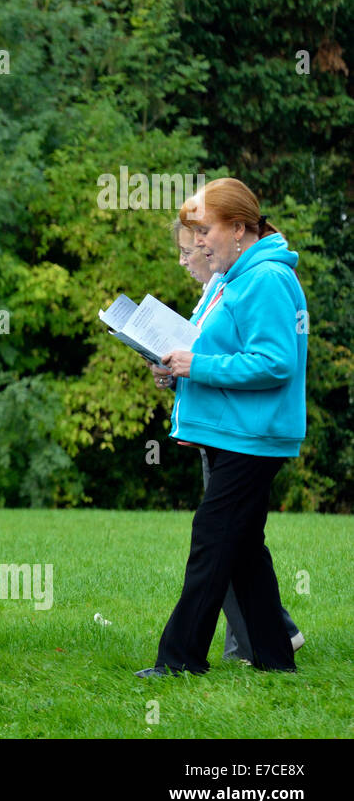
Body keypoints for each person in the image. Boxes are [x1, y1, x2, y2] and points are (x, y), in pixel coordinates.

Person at [138, 178, 306, 677]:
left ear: (239, 228)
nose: (199, 241)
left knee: (212, 540)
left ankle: (181, 659)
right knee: (243, 551)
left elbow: (276, 363)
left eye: (205, 230)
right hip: (234, 431)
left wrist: (197, 366)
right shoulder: (235, 278)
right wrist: (177, 366)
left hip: (251, 436)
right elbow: (222, 352)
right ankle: (274, 657)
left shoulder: (266, 279)